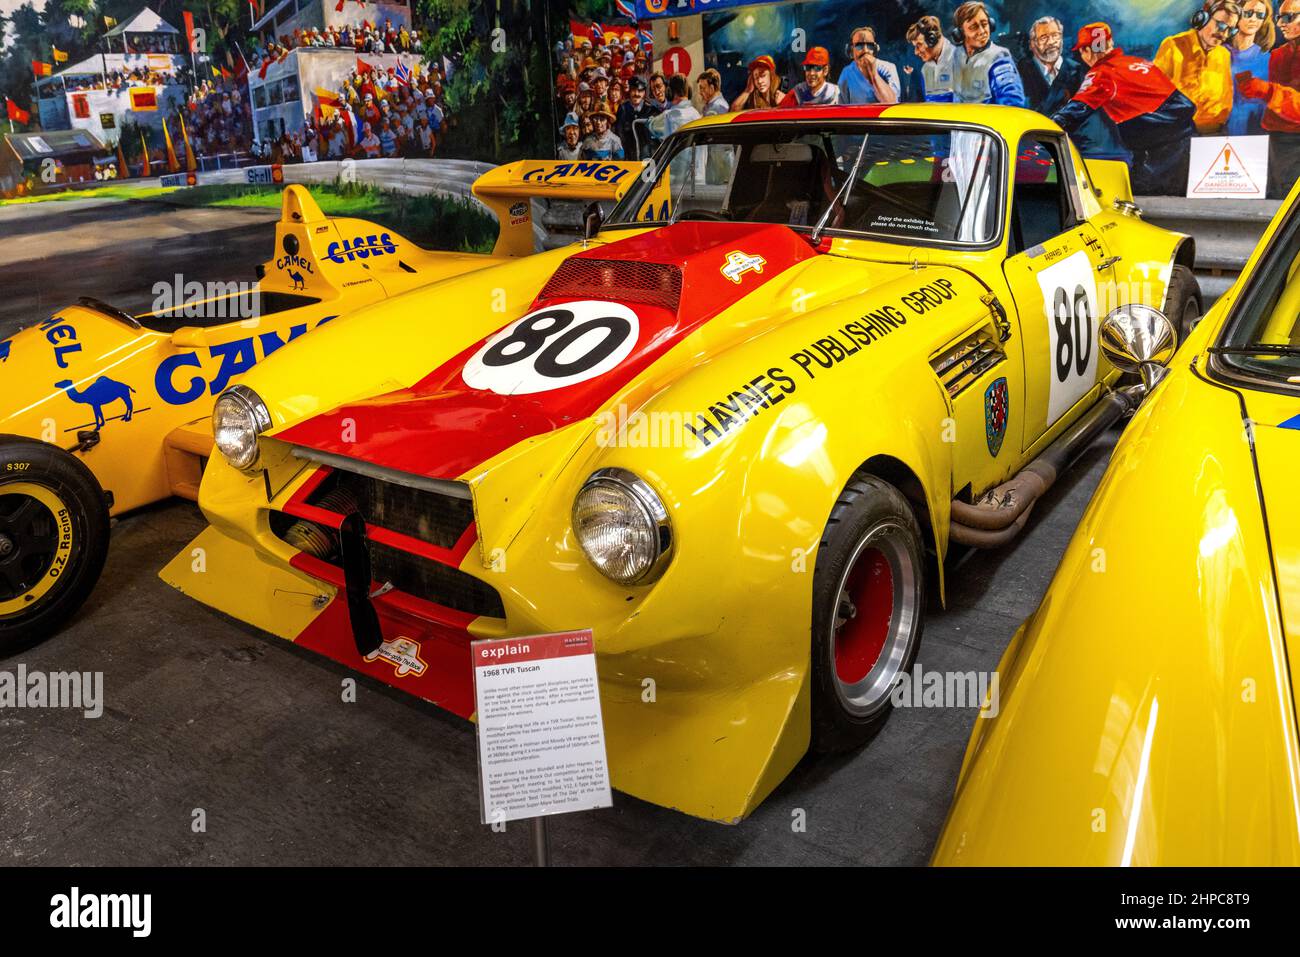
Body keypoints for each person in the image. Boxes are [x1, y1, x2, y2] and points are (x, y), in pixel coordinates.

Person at [1051, 22, 1197, 195]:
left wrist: (1047, 127)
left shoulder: (1100, 73)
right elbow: (1181, 102)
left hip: (1159, 150)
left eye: (1082, 50)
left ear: (1088, 51)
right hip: (1184, 140)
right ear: (1110, 44)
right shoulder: (1138, 62)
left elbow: (1076, 109)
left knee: (1142, 201)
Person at [1236, 0, 1300, 195]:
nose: (1281, 23)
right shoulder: (1278, 55)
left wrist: (1266, 91)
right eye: (1280, 17)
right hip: (1276, 140)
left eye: (1289, 17)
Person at [1154, 0, 1241, 133]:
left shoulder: (1224, 54)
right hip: (1177, 134)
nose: (1224, 34)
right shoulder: (1173, 45)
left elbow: (1225, 99)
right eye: (1221, 26)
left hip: (1213, 134)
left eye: (1231, 30)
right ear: (1203, 19)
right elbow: (1155, 94)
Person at [952, 1, 1026, 105]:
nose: (982, 31)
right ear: (959, 33)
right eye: (974, 27)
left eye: (984, 24)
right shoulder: (955, 55)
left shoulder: (999, 58)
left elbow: (1012, 103)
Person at [1226, 0, 1277, 134]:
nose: (1253, 19)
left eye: (1259, 15)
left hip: (1254, 135)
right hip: (1216, 133)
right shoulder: (1218, 53)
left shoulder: (1268, 60)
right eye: (1248, 13)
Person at [837, 26, 900, 103]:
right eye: (859, 45)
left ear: (875, 49)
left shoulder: (889, 68)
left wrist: (874, 75)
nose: (865, 50)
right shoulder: (846, 73)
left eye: (870, 45)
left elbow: (892, 103)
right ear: (851, 50)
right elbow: (843, 107)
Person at [906, 15, 958, 102]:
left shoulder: (960, 60)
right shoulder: (925, 69)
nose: (916, 52)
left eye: (919, 45)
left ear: (931, 39)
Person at [1017, 16, 1066, 110]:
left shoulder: (1075, 70)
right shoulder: (1023, 71)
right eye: (1043, 38)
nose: (1051, 42)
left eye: (1055, 35)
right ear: (1032, 44)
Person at [616, 76, 661, 159]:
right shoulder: (623, 109)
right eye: (634, 90)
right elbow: (619, 134)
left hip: (647, 158)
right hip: (628, 157)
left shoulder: (651, 110)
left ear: (644, 93)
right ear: (629, 91)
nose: (636, 94)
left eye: (640, 91)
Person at [647, 73, 702, 139]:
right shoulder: (696, 114)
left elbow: (652, 126)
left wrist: (650, 121)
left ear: (669, 92)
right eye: (653, 89)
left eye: (659, 86)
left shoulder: (668, 115)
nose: (657, 92)